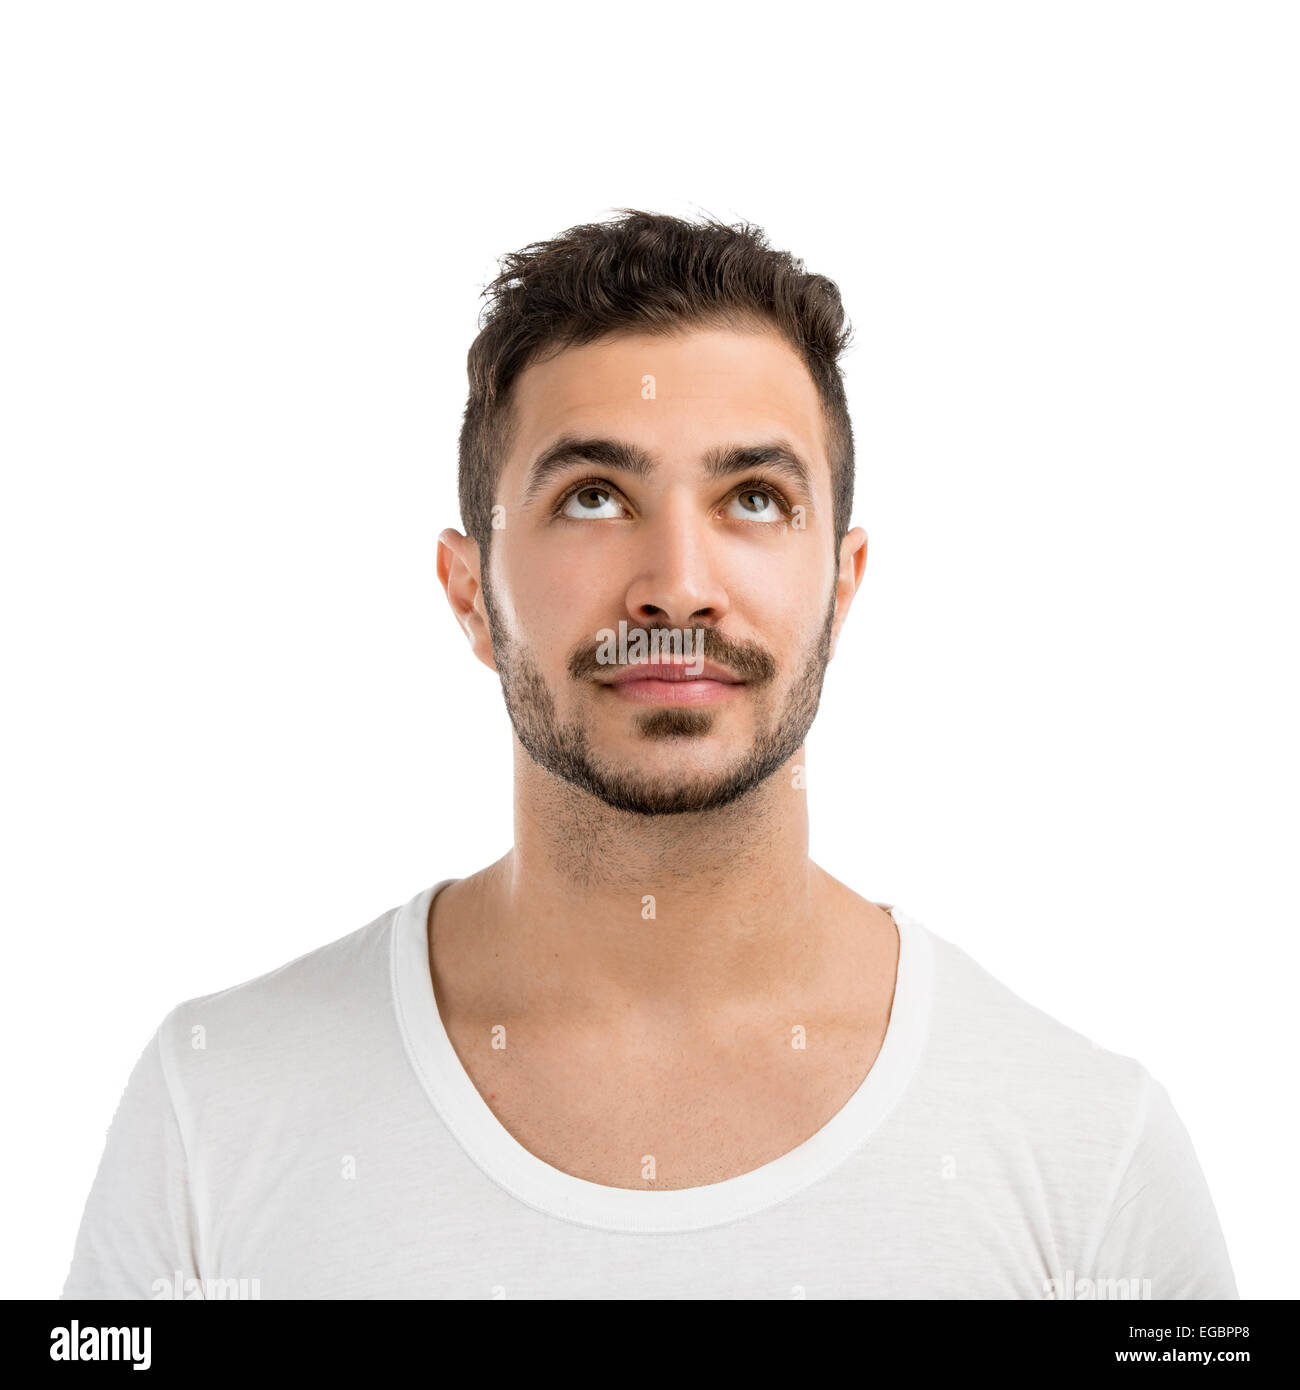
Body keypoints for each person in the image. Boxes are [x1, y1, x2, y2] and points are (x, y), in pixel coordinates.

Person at [62, 210, 1237, 1299]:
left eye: (755, 498)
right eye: (591, 496)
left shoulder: (1092, 1154)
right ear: (469, 593)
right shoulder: (212, 1111)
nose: (676, 583)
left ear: (844, 582)